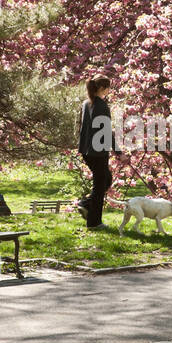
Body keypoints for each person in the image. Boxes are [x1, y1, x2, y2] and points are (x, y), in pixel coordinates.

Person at [76, 74, 117, 229]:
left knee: (106, 179)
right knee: (100, 185)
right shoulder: (101, 105)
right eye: (107, 88)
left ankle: (86, 204)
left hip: (87, 150)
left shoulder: (87, 103)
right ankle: (94, 222)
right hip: (98, 151)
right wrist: (119, 152)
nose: (108, 91)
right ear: (102, 88)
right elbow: (106, 131)